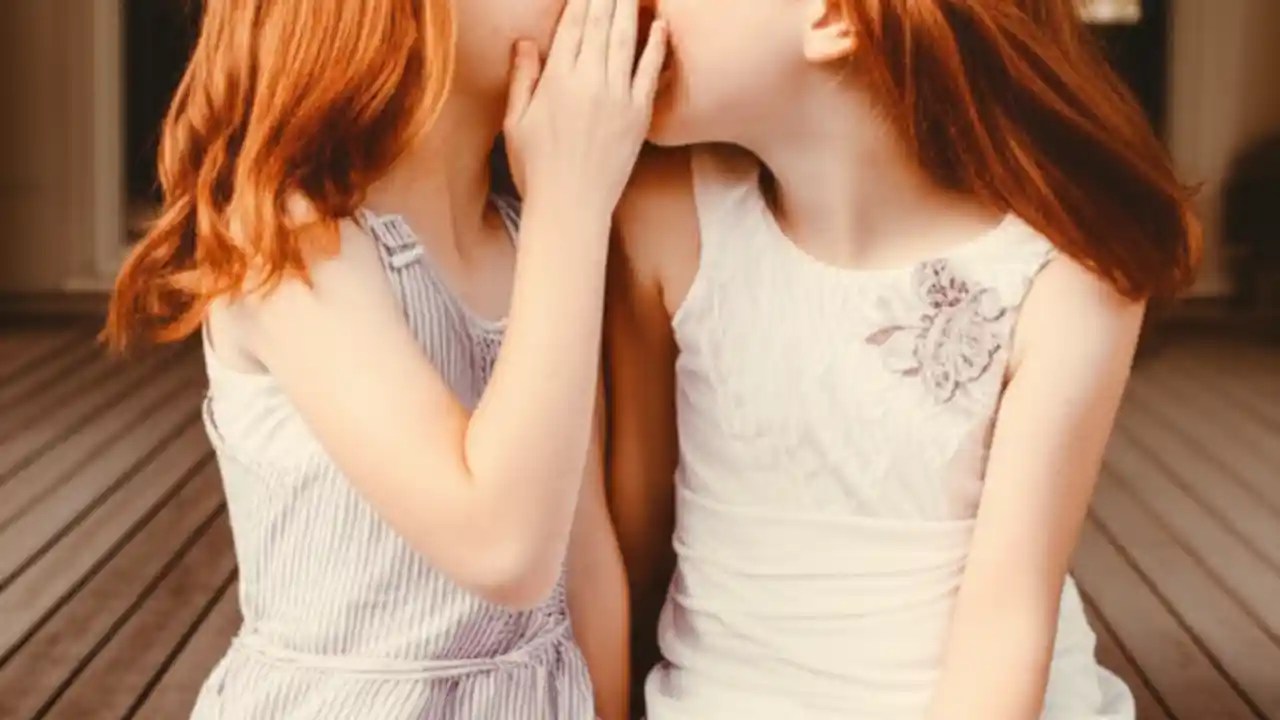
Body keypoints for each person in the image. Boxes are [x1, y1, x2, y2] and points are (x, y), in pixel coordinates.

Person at [607, 0, 1199, 717]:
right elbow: (635, 548)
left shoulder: (1064, 274)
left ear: (834, 18)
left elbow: (1007, 624)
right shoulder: (664, 218)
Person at [104, 0, 667, 717]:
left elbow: (585, 563)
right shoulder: (290, 242)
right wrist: (573, 201)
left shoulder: (536, 239)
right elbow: (501, 548)